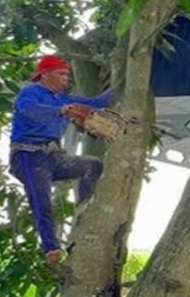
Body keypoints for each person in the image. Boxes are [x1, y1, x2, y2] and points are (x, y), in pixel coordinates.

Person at [9, 55, 113, 263]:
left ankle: (84, 208)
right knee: (42, 201)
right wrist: (60, 111)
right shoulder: (30, 93)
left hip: (53, 156)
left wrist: (122, 85)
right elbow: (30, 111)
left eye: (67, 74)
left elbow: (96, 103)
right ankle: (51, 247)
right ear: (45, 74)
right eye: (61, 74)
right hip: (29, 155)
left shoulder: (64, 98)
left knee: (92, 165)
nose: (66, 78)